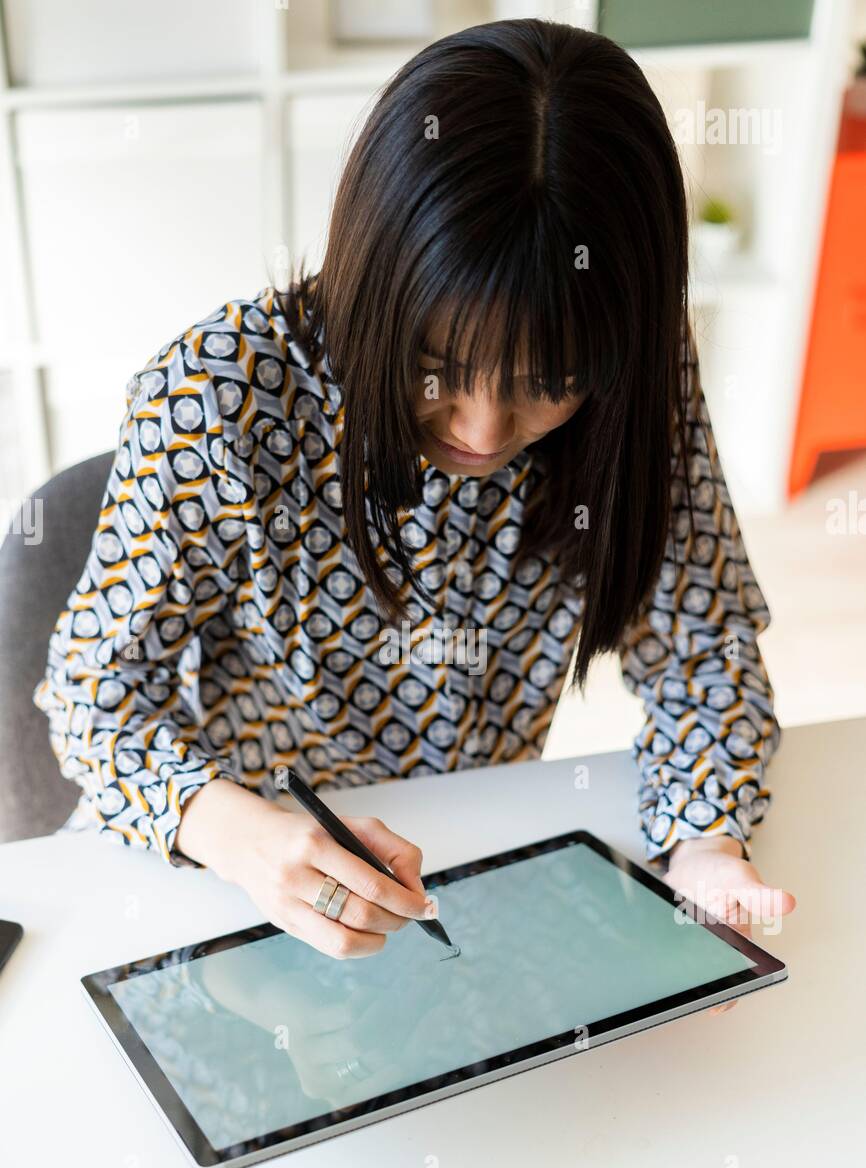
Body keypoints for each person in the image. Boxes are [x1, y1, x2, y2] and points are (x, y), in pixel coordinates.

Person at [34, 18, 795, 960]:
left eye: (545, 384)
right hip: (223, 880)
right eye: (436, 368)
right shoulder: (217, 399)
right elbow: (92, 703)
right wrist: (236, 834)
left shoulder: (632, 362)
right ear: (373, 278)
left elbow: (702, 646)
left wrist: (705, 845)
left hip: (467, 873)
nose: (480, 434)